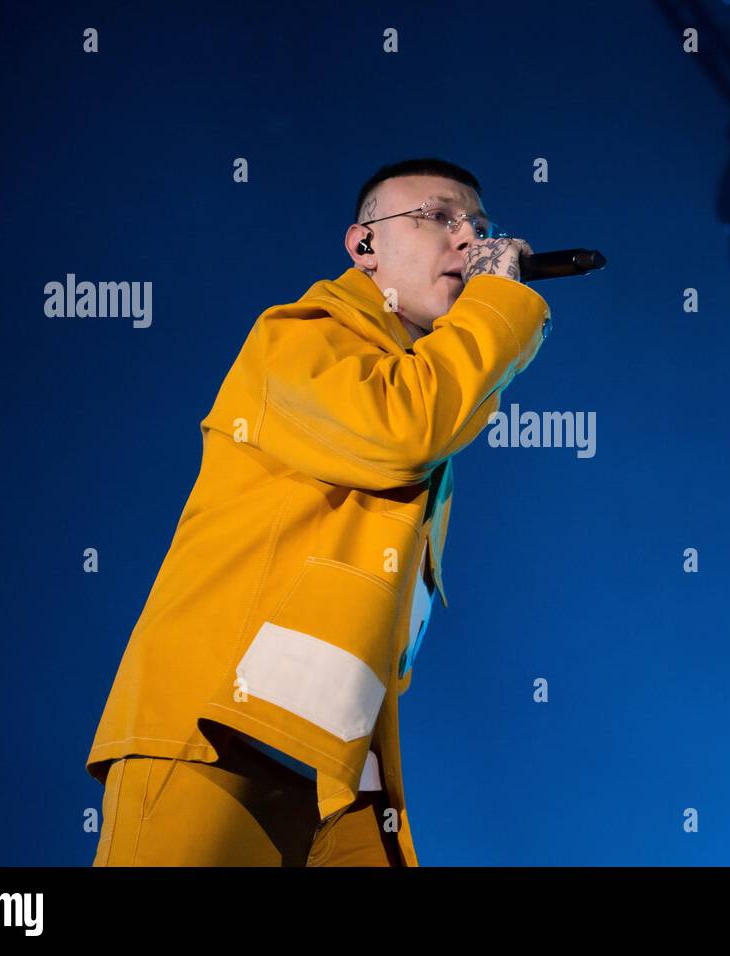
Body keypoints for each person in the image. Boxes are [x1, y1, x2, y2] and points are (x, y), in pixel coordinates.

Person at [86, 157, 551, 866]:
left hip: (337, 768)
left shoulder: (416, 379)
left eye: (479, 228)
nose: (468, 241)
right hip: (217, 739)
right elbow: (408, 425)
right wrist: (495, 304)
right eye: (438, 218)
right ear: (364, 246)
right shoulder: (298, 339)